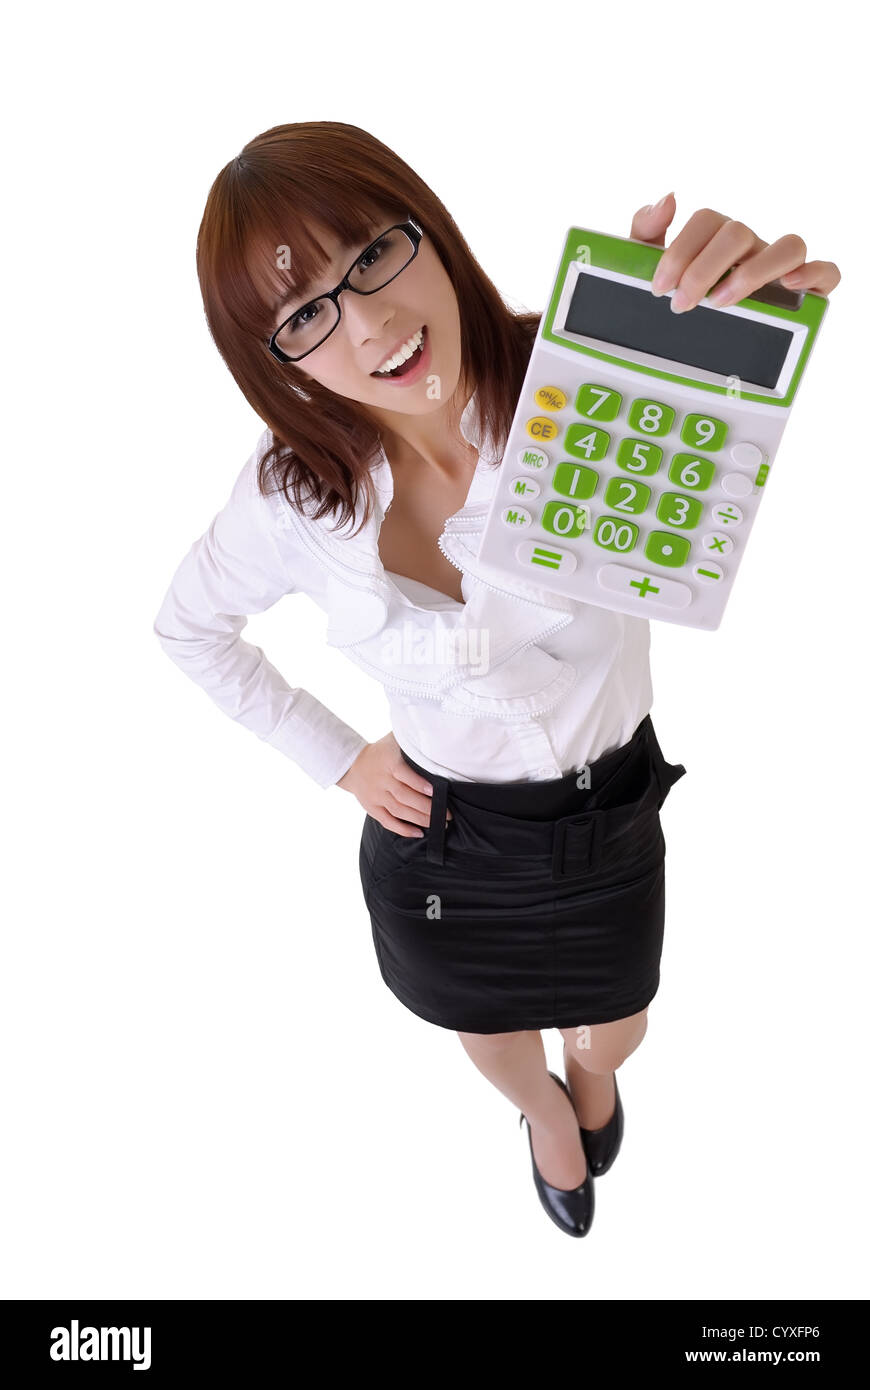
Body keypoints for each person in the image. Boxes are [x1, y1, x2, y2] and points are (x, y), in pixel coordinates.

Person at [154, 121, 840, 1238]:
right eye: (304, 314)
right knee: (487, 1027)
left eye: (373, 255)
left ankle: (598, 1077)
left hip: (603, 816)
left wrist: (710, 315)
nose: (369, 324)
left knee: (616, 1024)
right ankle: (546, 1121)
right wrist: (343, 758)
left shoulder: (586, 384)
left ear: (428, 229)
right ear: (271, 359)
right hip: (443, 842)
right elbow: (189, 630)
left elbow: (717, 396)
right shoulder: (290, 501)